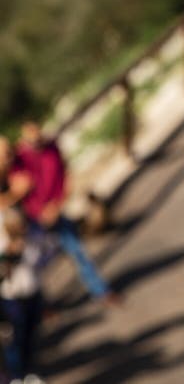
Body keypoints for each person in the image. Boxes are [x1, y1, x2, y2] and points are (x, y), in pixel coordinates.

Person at [11, 121, 118, 305]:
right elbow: (17, 189)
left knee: (77, 252)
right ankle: (43, 307)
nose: (36, 144)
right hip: (36, 218)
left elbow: (64, 176)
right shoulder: (19, 159)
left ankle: (101, 291)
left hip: (56, 210)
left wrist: (57, 205)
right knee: (36, 264)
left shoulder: (52, 148)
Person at [0, 208, 44, 383]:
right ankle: (15, 377)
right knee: (13, 340)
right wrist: (10, 255)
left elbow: (40, 259)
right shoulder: (3, 245)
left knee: (29, 336)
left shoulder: (32, 239)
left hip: (32, 293)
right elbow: (4, 274)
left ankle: (27, 373)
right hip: (12, 298)